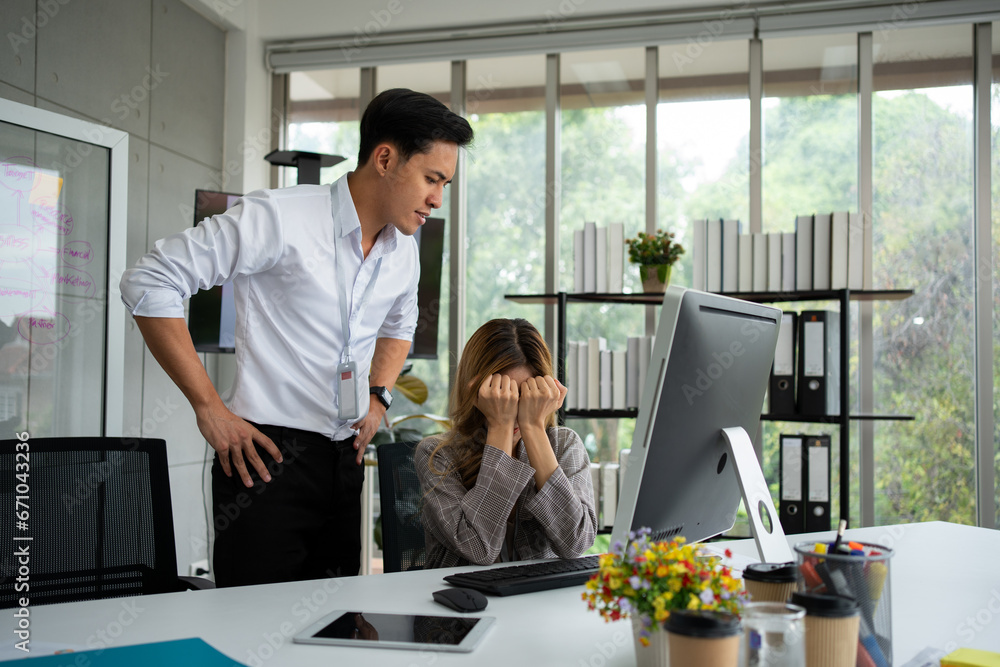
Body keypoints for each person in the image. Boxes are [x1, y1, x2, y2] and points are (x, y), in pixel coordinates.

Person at [119, 88, 473, 586]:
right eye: (432, 179)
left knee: (336, 630)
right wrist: (209, 408)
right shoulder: (278, 217)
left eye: (445, 184)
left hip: (345, 460)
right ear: (386, 159)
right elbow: (149, 280)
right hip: (264, 461)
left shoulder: (404, 248)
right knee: (251, 634)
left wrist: (379, 396)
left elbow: (399, 325)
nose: (437, 199)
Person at [416, 318, 597, 568]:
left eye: (525, 396)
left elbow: (575, 542)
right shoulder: (437, 454)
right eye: (502, 396)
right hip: (460, 598)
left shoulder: (564, 445)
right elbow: (478, 549)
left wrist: (533, 427)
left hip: (537, 601)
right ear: (475, 391)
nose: (513, 408)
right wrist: (500, 427)